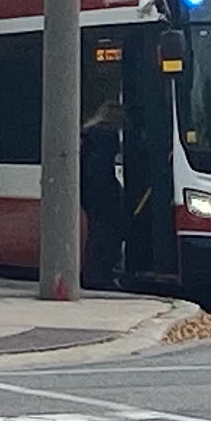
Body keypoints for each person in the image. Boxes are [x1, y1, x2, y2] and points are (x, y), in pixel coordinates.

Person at [80, 100, 125, 290]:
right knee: (109, 232)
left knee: (96, 232)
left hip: (88, 192)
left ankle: (93, 273)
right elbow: (99, 167)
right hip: (102, 192)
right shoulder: (107, 134)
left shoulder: (89, 131)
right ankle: (101, 275)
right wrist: (113, 189)